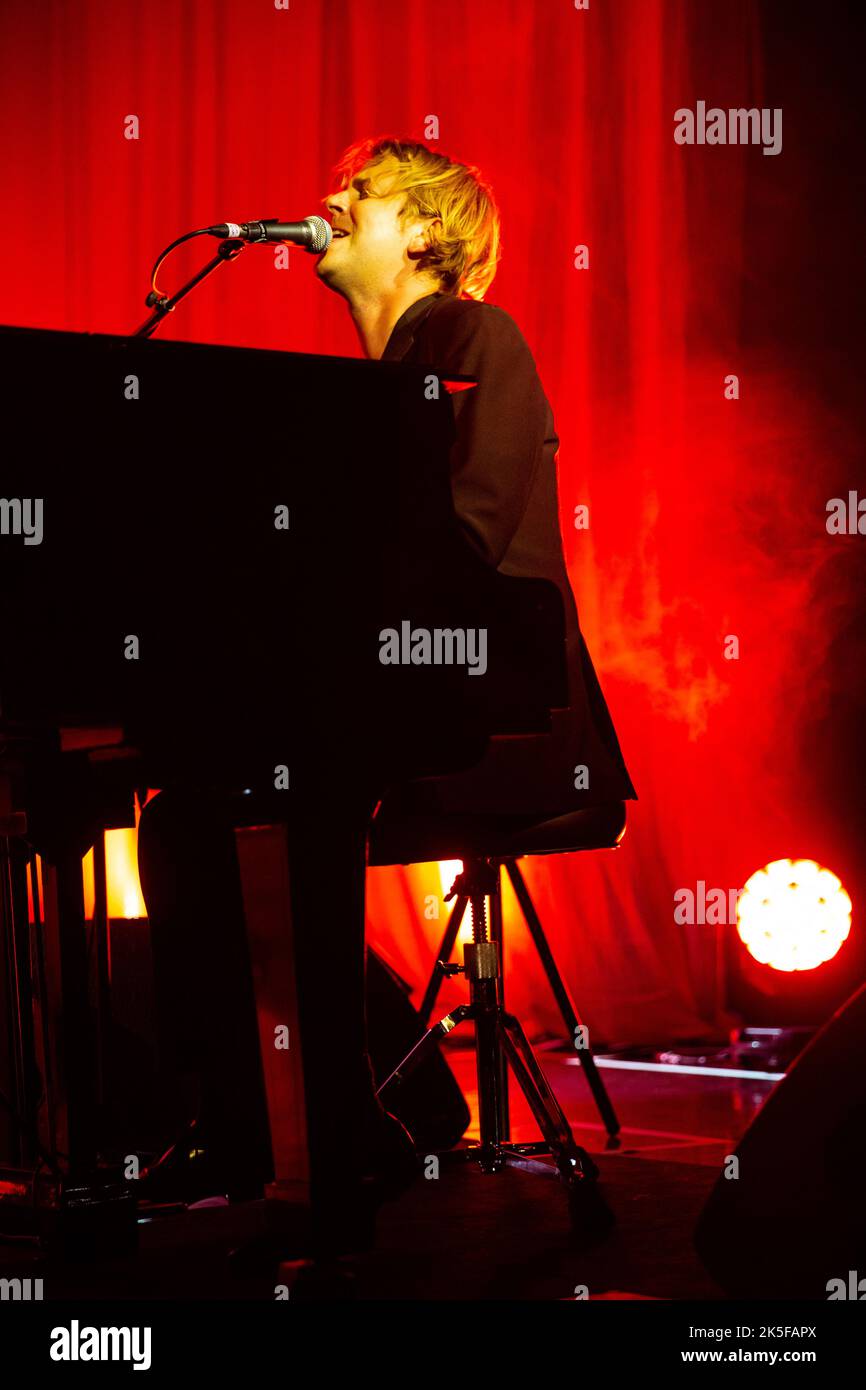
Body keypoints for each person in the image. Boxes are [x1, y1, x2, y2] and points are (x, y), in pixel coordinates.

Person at [138, 135, 634, 1260]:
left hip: (505, 722)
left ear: (422, 232)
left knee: (296, 803)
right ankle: (281, 1110)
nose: (327, 202)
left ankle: (326, 1122)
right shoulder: (364, 385)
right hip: (384, 695)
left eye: (358, 194)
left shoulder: (471, 335)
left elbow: (464, 535)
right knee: (183, 817)